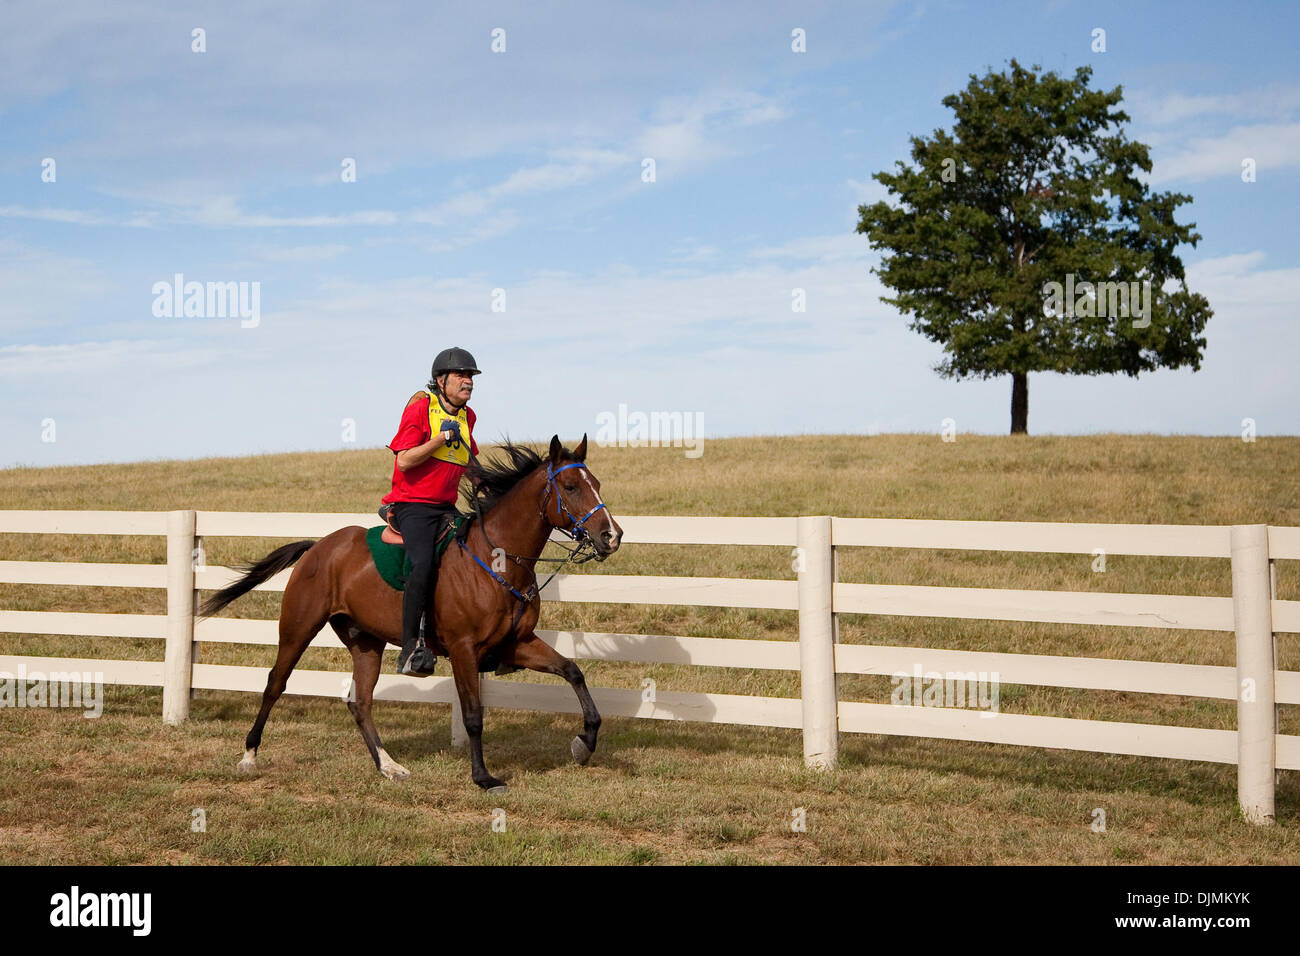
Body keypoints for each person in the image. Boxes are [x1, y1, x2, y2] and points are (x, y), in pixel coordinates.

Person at [380, 347, 480, 676]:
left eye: (471, 376)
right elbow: (404, 460)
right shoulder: (421, 408)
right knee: (422, 564)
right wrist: (440, 439)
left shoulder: (469, 417)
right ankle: (410, 648)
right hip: (413, 505)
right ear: (441, 380)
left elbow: (467, 461)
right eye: (461, 375)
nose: (468, 381)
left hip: (445, 508)